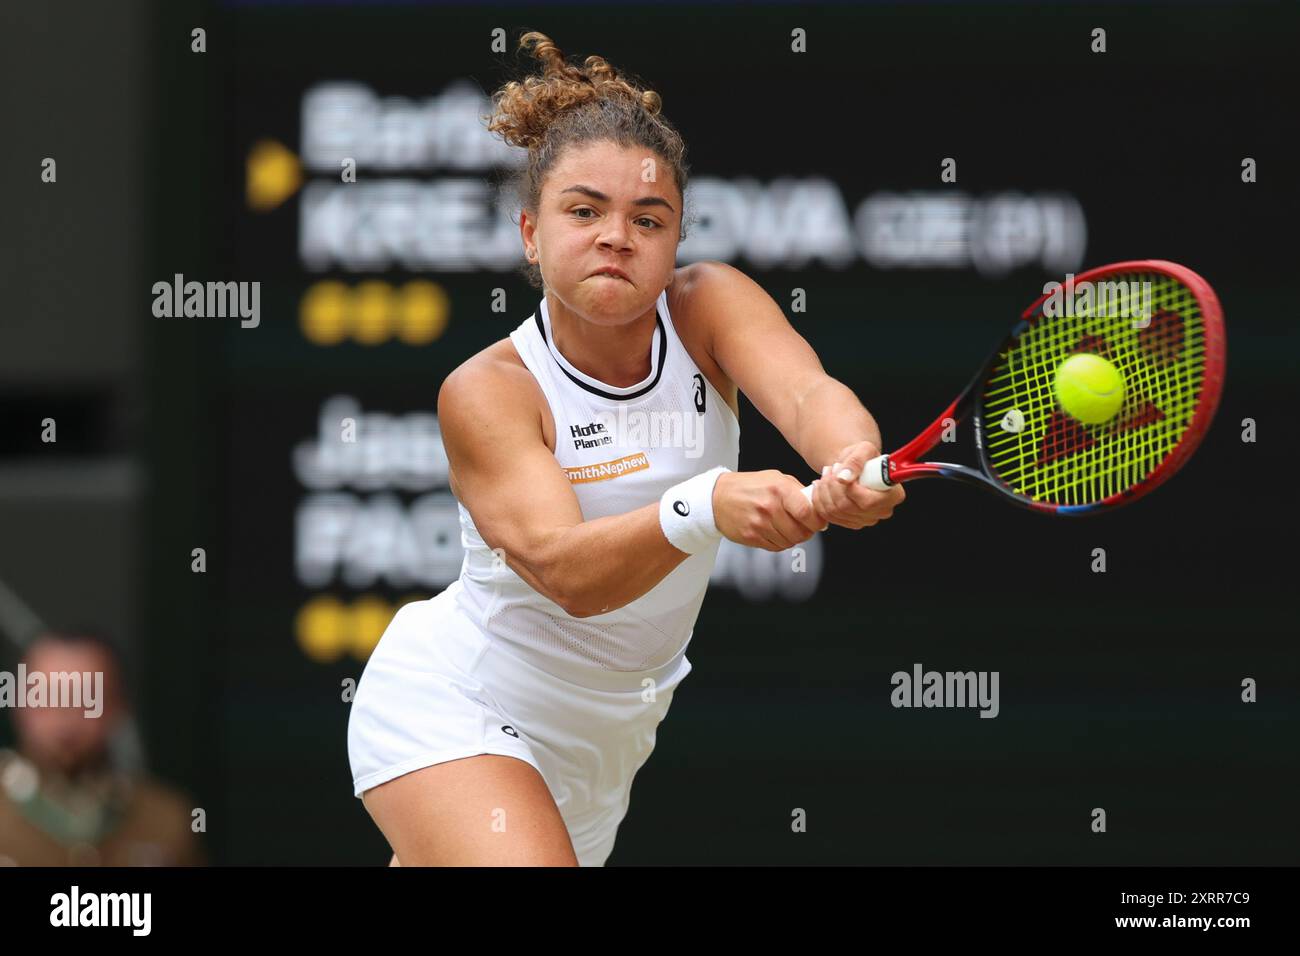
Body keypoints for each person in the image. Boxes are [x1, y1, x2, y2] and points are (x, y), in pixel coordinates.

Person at [346, 31, 905, 866]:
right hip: (458, 702)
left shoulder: (709, 304)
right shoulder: (488, 389)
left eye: (649, 218)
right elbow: (567, 571)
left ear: (676, 238)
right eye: (584, 211)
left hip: (604, 748)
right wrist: (704, 504)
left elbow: (807, 395)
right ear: (531, 234)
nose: (618, 236)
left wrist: (853, 460)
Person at [0, 630, 205, 866]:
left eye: (87, 701)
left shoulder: (167, 821)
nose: (65, 720)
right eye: (45, 698)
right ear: (18, 704)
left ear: (118, 705)